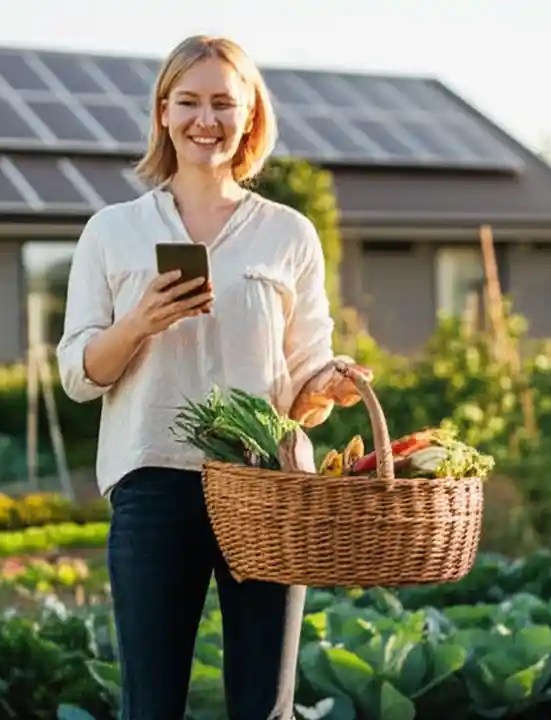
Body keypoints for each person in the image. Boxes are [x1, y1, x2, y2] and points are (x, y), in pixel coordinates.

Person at [56, 34, 371, 719]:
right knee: (152, 705)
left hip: (267, 487)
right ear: (163, 113)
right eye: (190, 102)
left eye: (224, 103)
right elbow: (80, 376)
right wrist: (139, 321)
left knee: (265, 706)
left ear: (251, 114)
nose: (207, 120)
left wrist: (327, 385)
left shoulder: (287, 234)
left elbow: (302, 380)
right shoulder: (114, 231)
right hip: (153, 483)